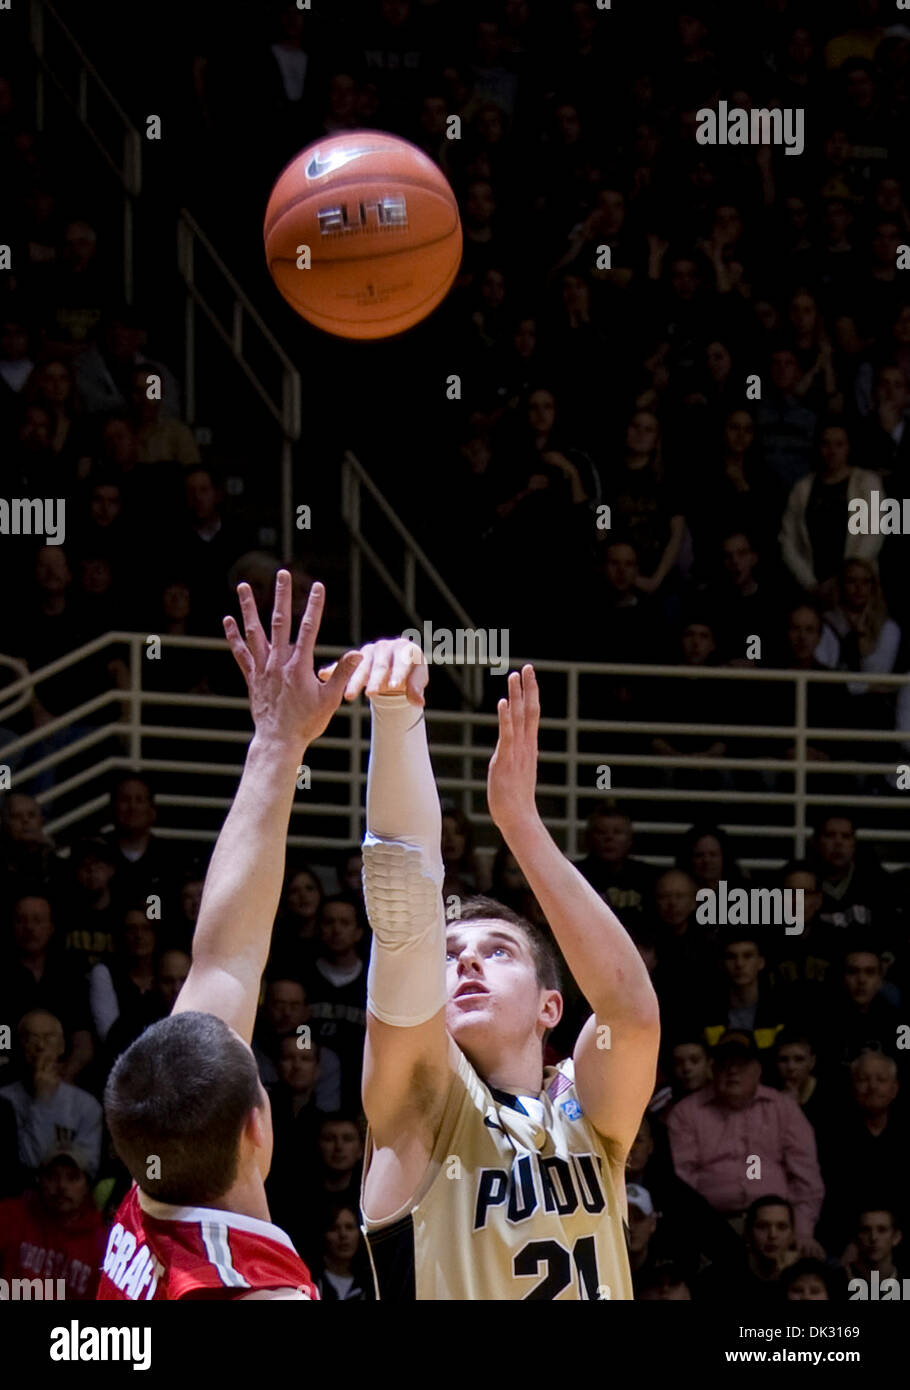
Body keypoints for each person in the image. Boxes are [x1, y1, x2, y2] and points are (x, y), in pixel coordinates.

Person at [342, 640, 659, 1299]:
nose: (467, 964)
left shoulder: (586, 1113)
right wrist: (397, 713)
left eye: (498, 951)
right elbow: (402, 901)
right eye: (451, 956)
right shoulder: (422, 1103)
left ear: (550, 1006)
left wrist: (520, 822)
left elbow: (629, 1011)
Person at [97, 574, 362, 1299]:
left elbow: (228, 954)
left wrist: (278, 741)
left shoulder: (152, 1187)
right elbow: (227, 960)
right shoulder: (254, 1294)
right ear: (258, 1124)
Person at [666, 1031, 825, 1254]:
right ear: (713, 1069)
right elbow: (682, 1182)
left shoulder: (784, 1109)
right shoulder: (686, 1113)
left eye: (741, 1063)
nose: (732, 1071)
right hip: (712, 1225)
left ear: (758, 1069)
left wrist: (802, 1231)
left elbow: (806, 1179)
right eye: (724, 1063)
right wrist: (698, 1228)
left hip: (777, 1226)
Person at [0, 1012, 102, 1178]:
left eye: (49, 1038)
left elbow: (86, 1171)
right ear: (19, 1046)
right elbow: (29, 1163)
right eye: (31, 1038)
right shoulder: (4, 1100)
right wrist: (43, 1101)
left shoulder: (86, 1106)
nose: (40, 1046)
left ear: (61, 1046)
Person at [0, 1142, 108, 1299]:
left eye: (72, 1178)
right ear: (40, 1181)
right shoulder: (12, 1215)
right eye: (52, 1176)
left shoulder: (102, 1244)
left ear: (87, 1186)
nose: (61, 1186)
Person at [313, 1202, 375, 1301]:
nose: (343, 1235)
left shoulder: (371, 1284)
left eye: (349, 1227)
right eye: (334, 1228)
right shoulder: (310, 1282)